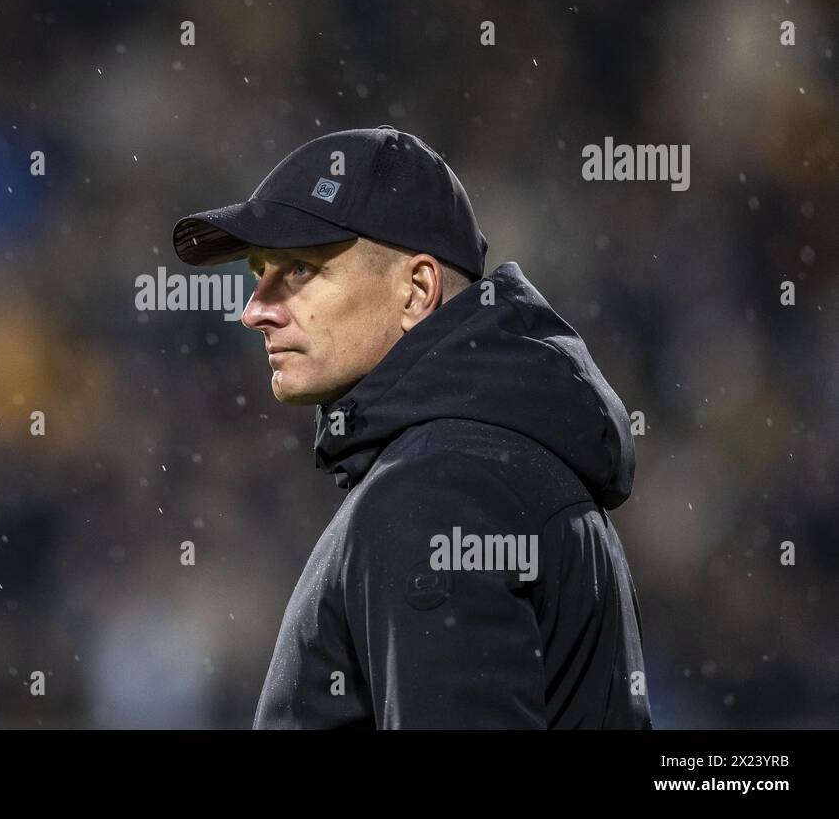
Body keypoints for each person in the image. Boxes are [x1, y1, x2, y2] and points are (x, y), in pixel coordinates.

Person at [172, 126, 652, 729]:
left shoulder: (436, 489)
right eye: (258, 274)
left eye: (298, 269)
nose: (255, 310)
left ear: (418, 290)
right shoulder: (497, 462)